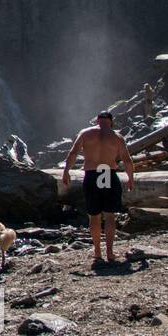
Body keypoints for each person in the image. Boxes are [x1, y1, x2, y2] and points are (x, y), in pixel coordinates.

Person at [62, 111, 136, 264]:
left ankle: (97, 251)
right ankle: (110, 252)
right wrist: (130, 178)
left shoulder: (85, 133)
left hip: (92, 174)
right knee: (110, 215)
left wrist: (66, 171)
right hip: (107, 173)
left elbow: (73, 153)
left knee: (94, 215)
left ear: (97, 120)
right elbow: (127, 160)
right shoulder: (117, 137)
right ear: (111, 122)